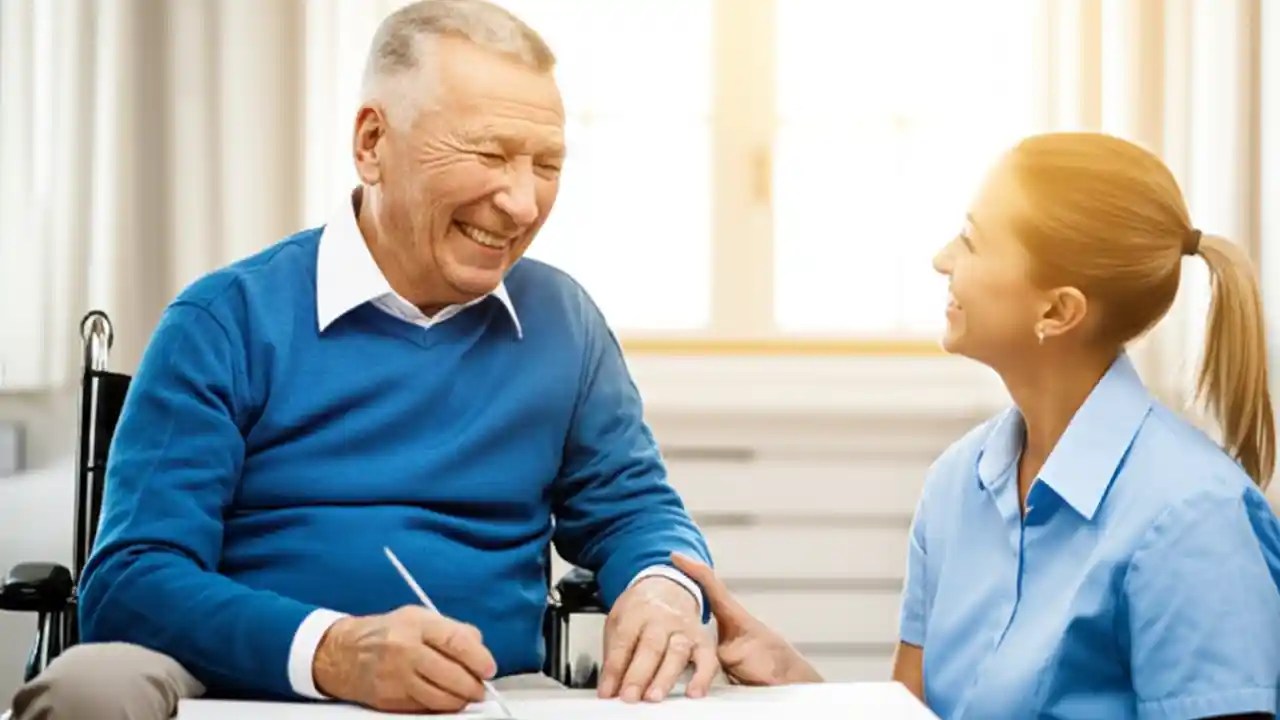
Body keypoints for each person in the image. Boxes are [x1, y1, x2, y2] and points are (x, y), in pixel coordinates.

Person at [10, 1, 721, 717]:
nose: (521, 201)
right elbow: (130, 583)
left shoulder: (565, 323)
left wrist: (663, 587)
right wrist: (333, 653)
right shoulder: (222, 321)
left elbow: (638, 513)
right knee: (86, 690)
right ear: (373, 142)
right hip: (233, 684)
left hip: (486, 693)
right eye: (490, 153)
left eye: (547, 164)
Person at [673, 132, 1280, 719]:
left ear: (1057, 310)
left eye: (970, 240)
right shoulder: (957, 484)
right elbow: (915, 714)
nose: (942, 260)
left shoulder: (1194, 519)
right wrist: (797, 686)